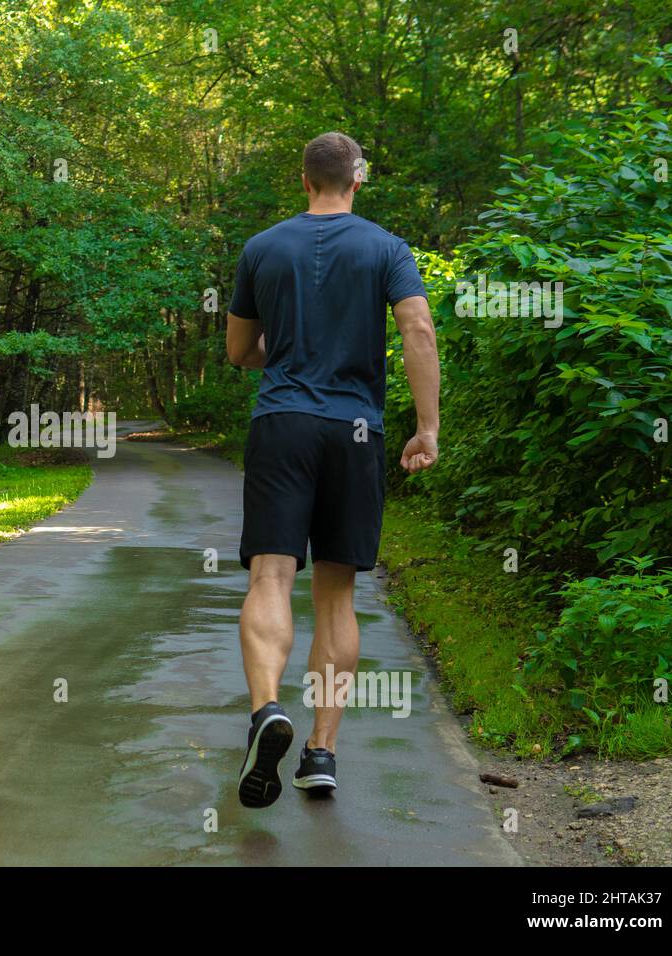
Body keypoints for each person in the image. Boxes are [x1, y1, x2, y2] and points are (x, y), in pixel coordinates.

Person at [225, 131, 440, 808]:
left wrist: (288, 352)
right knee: (336, 593)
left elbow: (241, 351)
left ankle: (267, 712)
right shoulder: (386, 248)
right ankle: (322, 752)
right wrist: (427, 427)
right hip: (355, 430)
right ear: (358, 179)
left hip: (282, 422)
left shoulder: (262, 248)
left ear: (303, 179)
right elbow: (418, 330)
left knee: (270, 573)